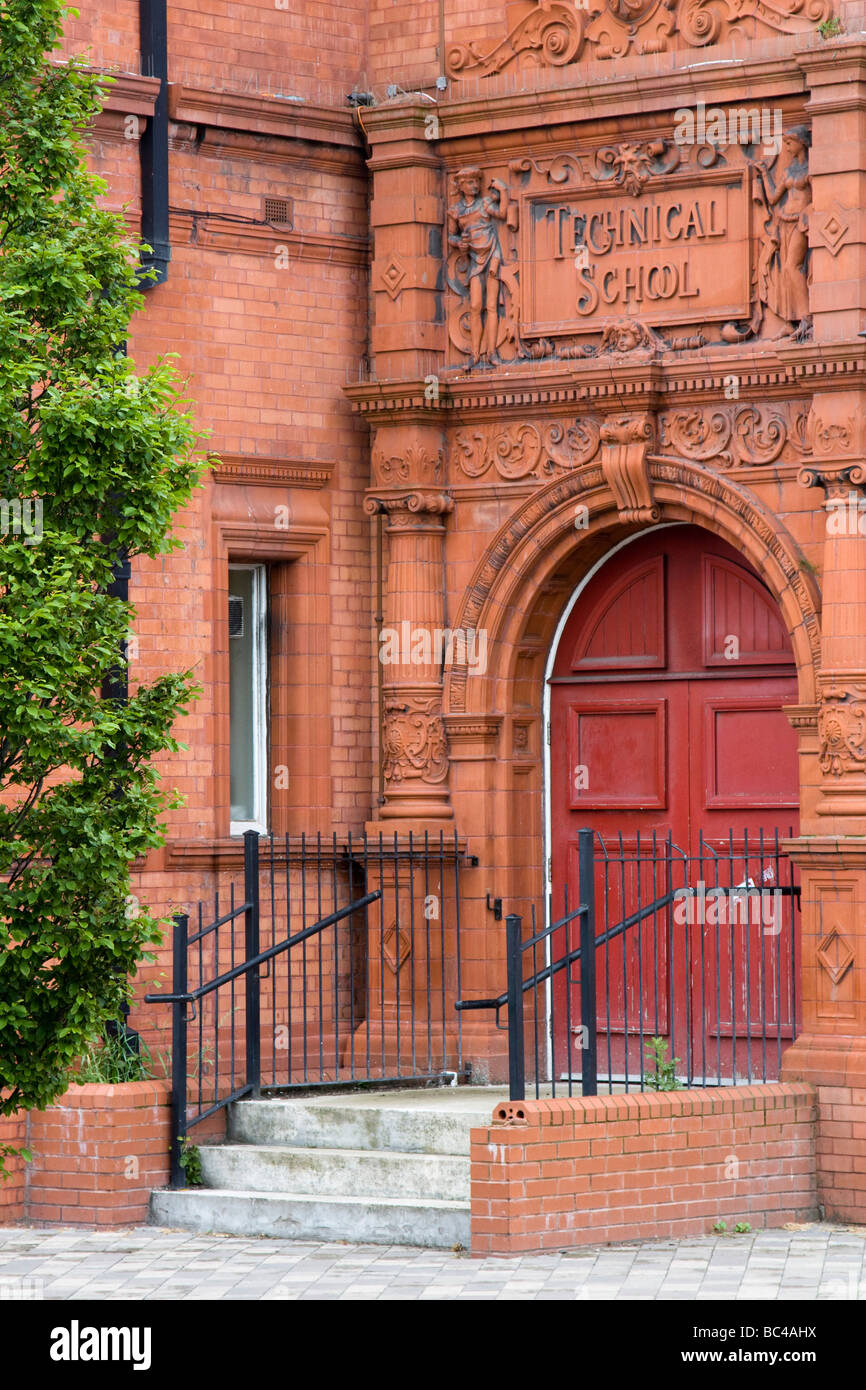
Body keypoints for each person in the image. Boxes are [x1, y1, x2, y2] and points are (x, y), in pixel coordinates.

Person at [447, 167, 510, 366]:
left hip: (492, 254)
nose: (474, 186)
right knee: (475, 306)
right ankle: (474, 355)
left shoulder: (484, 203)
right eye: (470, 182)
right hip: (474, 257)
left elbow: (502, 213)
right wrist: (459, 243)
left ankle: (492, 352)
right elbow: (451, 236)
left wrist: (503, 191)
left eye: (476, 182)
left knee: (491, 305)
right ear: (460, 186)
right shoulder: (455, 211)